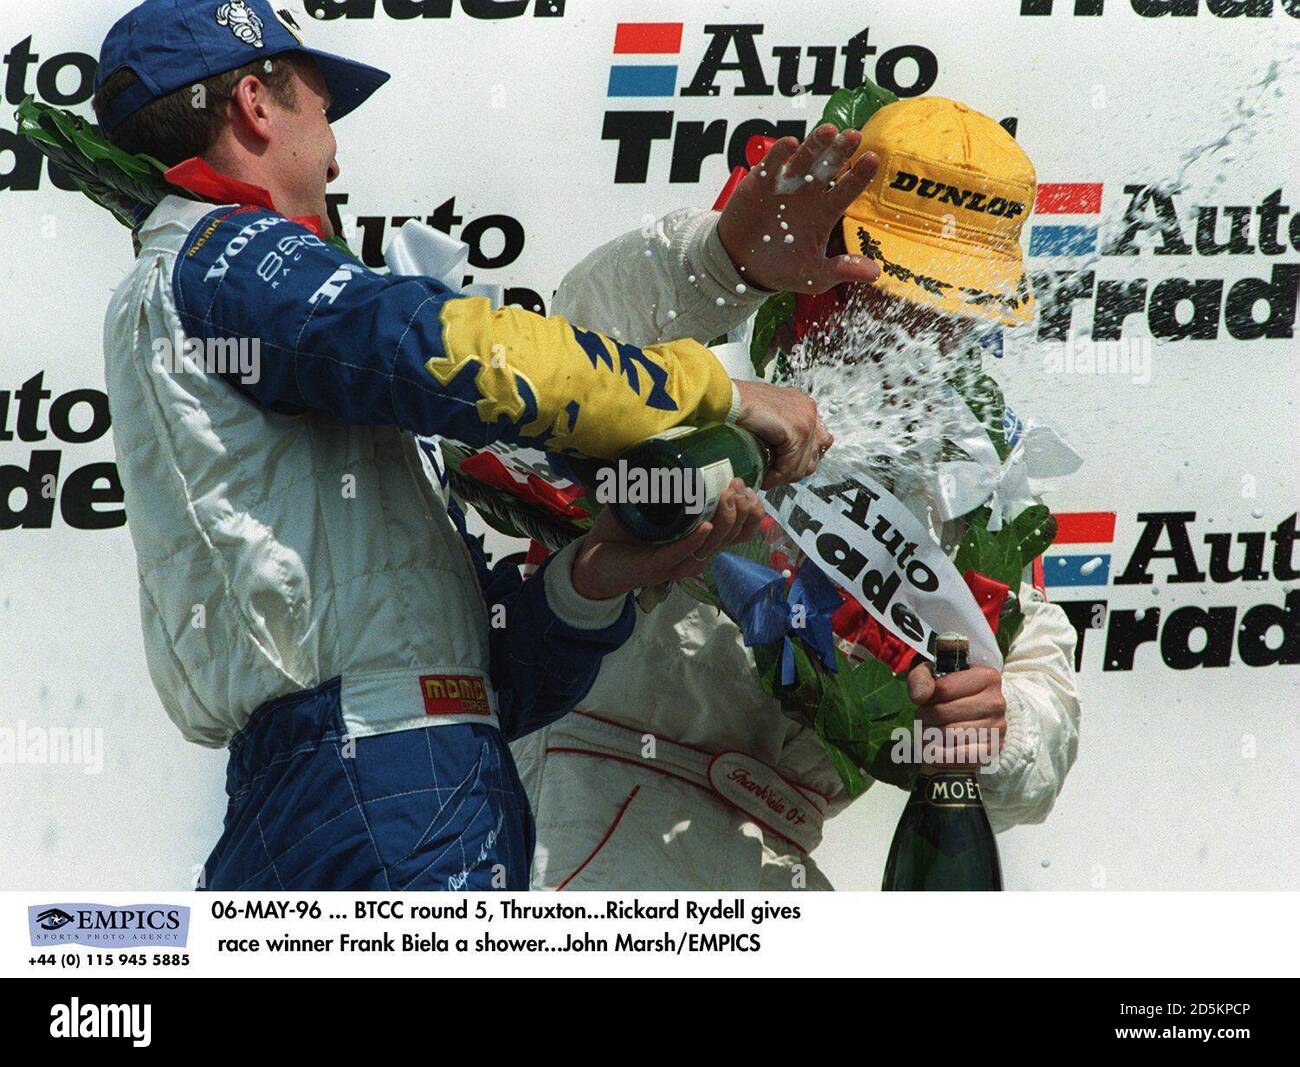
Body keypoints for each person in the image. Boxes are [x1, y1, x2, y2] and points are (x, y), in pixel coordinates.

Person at [90, 0, 848, 890]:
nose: (338, 153)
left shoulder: (209, 298)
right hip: (389, 792)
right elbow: (458, 356)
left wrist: (596, 576)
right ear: (256, 105)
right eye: (324, 113)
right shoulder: (230, 256)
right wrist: (710, 388)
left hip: (339, 787)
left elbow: (470, 678)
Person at [513, 98, 1081, 890]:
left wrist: (1000, 727)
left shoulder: (975, 469)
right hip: (585, 806)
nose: (922, 323)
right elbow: (569, 348)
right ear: (838, 235)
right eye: (900, 281)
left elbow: (1040, 696)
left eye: (954, 301)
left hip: (778, 858)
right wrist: (726, 259)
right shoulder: (708, 313)